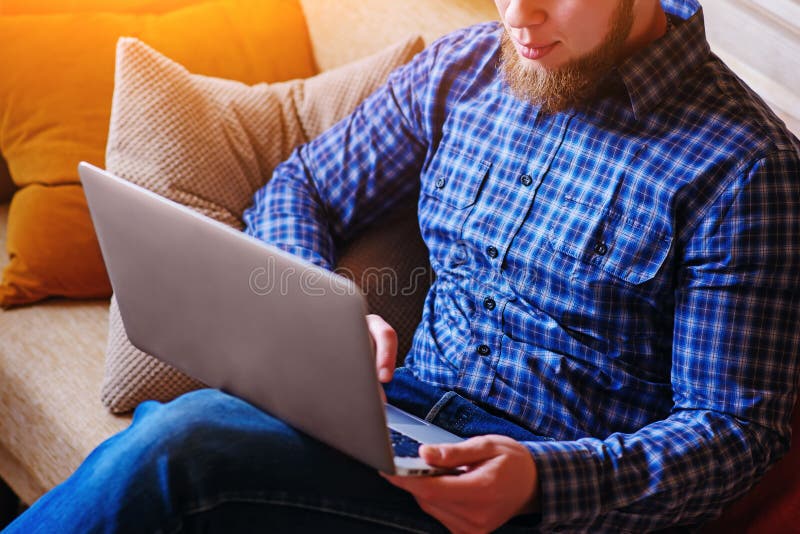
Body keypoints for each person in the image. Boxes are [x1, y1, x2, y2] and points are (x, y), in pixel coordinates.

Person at [7, 0, 800, 532]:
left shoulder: (745, 167)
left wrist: (540, 483)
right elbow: (303, 185)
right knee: (177, 430)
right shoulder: (466, 70)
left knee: (182, 447)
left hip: (542, 495)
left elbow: (735, 433)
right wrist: (325, 306)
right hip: (395, 425)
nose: (518, 16)